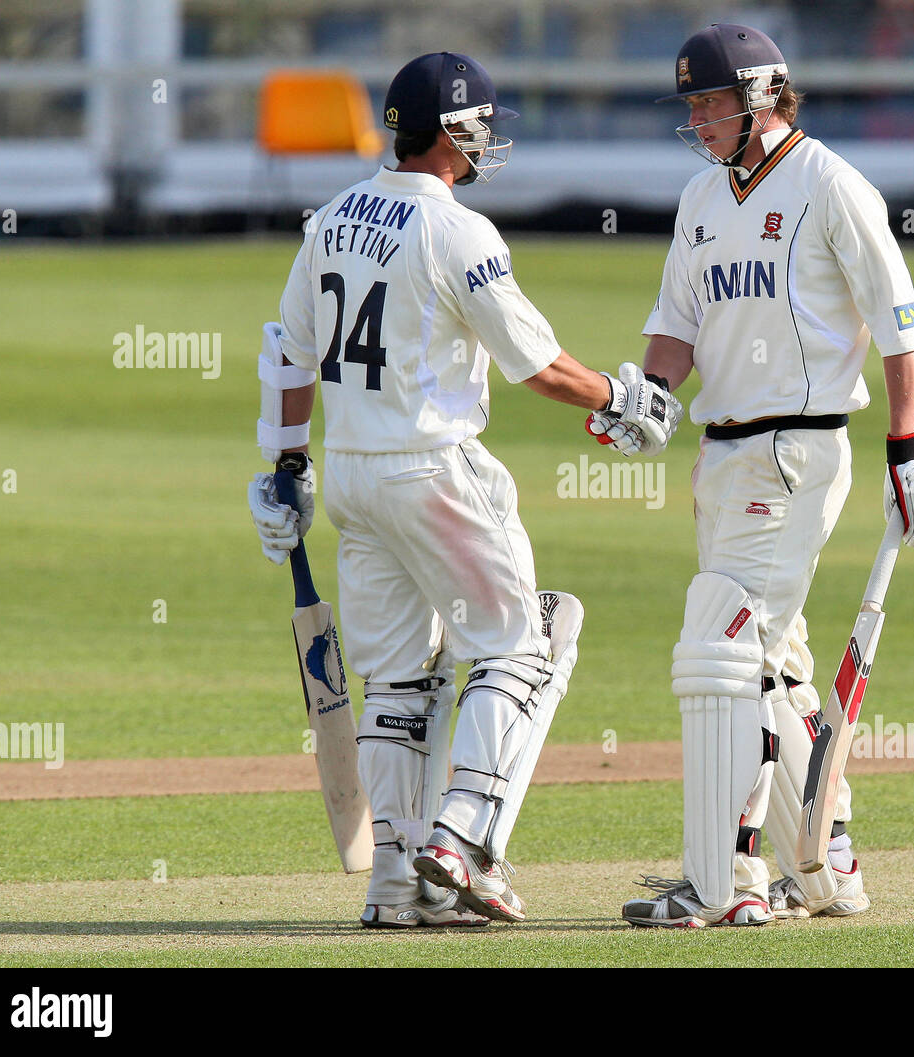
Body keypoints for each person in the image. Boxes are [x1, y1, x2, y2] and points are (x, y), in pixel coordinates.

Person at [248, 51, 681, 929]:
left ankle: (396, 883)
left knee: (401, 681)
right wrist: (622, 397)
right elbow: (537, 362)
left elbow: (287, 350)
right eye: (478, 122)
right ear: (448, 132)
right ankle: (463, 837)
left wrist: (285, 465)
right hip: (434, 469)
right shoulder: (458, 232)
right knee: (527, 642)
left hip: (356, 480)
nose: (488, 138)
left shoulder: (329, 219)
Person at [594, 23, 914, 928]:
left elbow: (900, 325)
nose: (700, 118)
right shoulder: (700, 199)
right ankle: (825, 864)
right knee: (779, 667)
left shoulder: (831, 185)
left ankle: (725, 879)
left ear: (762, 98)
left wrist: (906, 447)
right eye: (693, 104)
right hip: (722, 454)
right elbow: (676, 327)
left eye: (713, 101)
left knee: (725, 646)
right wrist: (647, 397)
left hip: (799, 448)